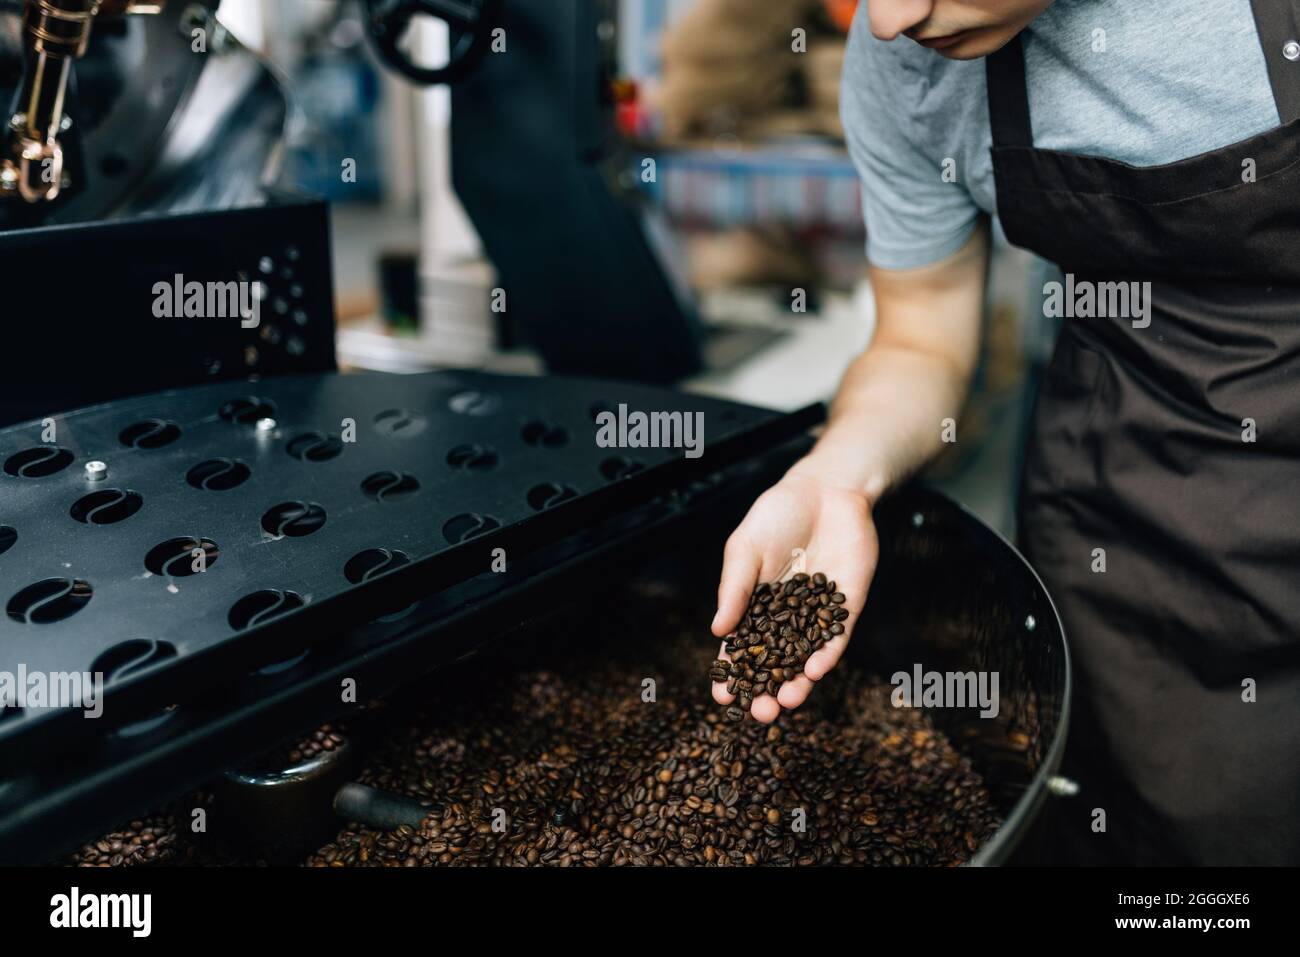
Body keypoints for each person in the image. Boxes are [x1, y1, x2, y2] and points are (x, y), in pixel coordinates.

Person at [711, 0, 1300, 866]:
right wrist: (835, 476)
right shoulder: (908, 68)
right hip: (1139, 521)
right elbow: (920, 336)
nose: (890, 20)